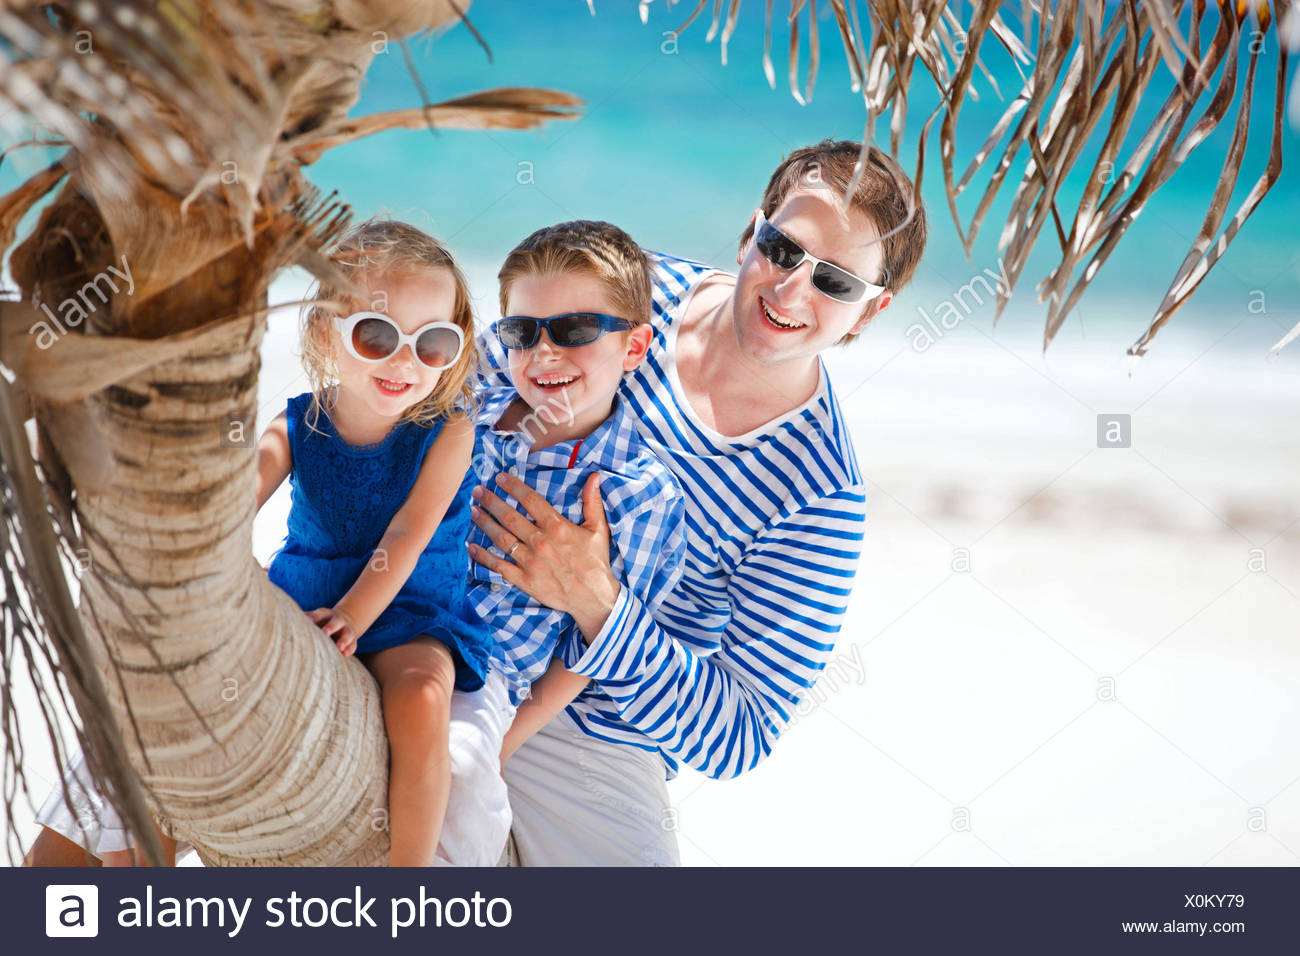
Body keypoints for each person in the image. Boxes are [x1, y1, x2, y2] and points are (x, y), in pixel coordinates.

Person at [469, 140, 928, 865]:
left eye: (836, 282)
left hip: (592, 734)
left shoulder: (818, 495)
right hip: (449, 609)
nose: (790, 292)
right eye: (782, 249)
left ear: (872, 311)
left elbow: (741, 730)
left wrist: (599, 606)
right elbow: (468, 375)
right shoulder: (629, 291)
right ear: (753, 231)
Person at [30, 218, 512, 868]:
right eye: (377, 334)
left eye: (434, 343)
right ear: (323, 332)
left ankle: (411, 876)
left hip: (407, 607)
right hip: (302, 595)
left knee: (424, 695)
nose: (406, 360)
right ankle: (148, 865)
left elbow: (409, 532)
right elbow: (238, 497)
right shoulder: (299, 421)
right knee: (177, 697)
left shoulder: (449, 431)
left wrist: (353, 618)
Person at [465, 221, 686, 781]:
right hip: (389, 619)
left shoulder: (637, 493)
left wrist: (503, 745)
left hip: (483, 675)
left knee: (457, 784)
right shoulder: (463, 416)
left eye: (575, 329)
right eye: (522, 331)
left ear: (633, 346)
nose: (543, 353)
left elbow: (587, 652)